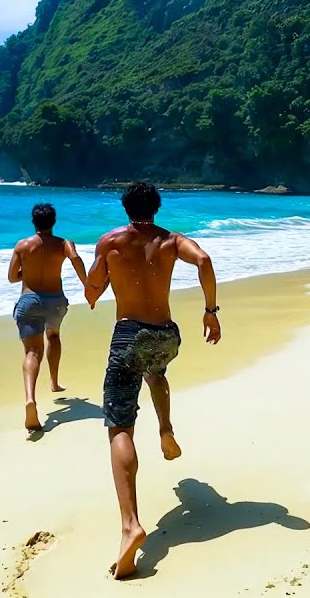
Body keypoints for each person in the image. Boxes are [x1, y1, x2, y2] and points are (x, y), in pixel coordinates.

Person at [84, 182, 222, 580]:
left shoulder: (110, 242)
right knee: (155, 371)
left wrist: (97, 281)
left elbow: (94, 290)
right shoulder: (172, 241)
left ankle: (130, 526)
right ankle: (165, 427)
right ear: (157, 208)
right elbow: (205, 260)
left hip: (129, 334)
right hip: (165, 334)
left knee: (119, 427)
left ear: (125, 207)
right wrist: (210, 311)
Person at [8, 203, 88, 432]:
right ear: (54, 222)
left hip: (30, 300)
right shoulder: (64, 244)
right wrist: (88, 286)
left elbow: (13, 277)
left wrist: (28, 271)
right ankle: (54, 383)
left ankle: (30, 398)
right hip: (55, 302)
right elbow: (75, 259)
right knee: (53, 337)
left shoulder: (23, 245)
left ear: (34, 222)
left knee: (32, 352)